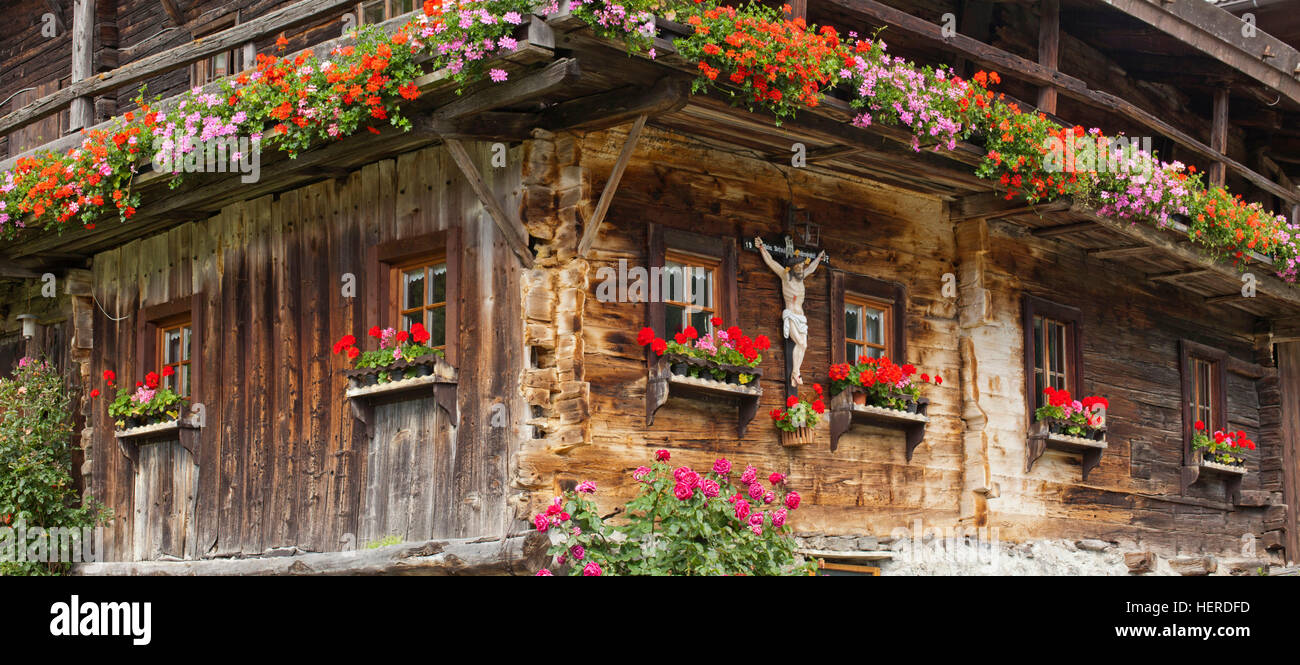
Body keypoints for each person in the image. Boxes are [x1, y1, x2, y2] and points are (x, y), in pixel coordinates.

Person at [756, 236, 826, 386]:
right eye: (798, 268)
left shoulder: (802, 278)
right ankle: (796, 373)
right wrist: (762, 247)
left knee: (804, 345)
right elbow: (771, 262)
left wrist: (819, 258)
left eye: (802, 267)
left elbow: (812, 268)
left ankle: (796, 372)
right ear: (793, 269)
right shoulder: (785, 276)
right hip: (791, 315)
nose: (801, 270)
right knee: (800, 342)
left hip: (801, 318)